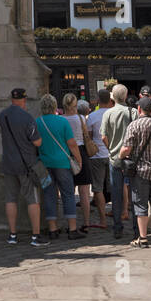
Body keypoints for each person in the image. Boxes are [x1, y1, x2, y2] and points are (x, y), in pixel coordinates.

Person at [118, 96, 151, 248]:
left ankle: (143, 238)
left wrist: (120, 155)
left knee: (140, 205)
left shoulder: (134, 126)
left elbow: (126, 149)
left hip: (140, 172)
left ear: (139, 109)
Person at [0, 87, 45, 246]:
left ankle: (12, 235)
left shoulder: (2, 115)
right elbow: (37, 141)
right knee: (32, 199)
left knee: (11, 199)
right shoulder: (27, 117)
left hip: (8, 163)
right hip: (26, 164)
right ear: (24, 100)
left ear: (11, 99)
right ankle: (35, 236)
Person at [36, 93, 83, 240]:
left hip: (44, 163)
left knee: (49, 195)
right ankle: (72, 229)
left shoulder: (37, 122)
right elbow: (72, 144)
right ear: (55, 106)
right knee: (68, 194)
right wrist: (79, 159)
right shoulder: (62, 122)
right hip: (62, 163)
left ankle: (53, 229)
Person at [101, 84, 135, 240]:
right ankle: (136, 227)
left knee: (116, 194)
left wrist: (111, 149)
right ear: (126, 95)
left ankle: (117, 227)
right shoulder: (133, 112)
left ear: (112, 97)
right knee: (135, 193)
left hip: (115, 158)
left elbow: (103, 136)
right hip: (131, 158)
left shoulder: (108, 113)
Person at [61, 93, 93, 231]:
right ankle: (86, 222)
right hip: (81, 152)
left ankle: (70, 223)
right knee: (84, 193)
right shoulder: (81, 118)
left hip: (66, 153)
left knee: (68, 192)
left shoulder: (61, 119)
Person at [85, 88, 112, 229]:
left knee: (98, 188)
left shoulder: (93, 117)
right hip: (112, 154)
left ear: (98, 100)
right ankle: (119, 214)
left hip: (97, 156)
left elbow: (89, 138)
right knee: (115, 187)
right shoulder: (113, 114)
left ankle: (103, 220)